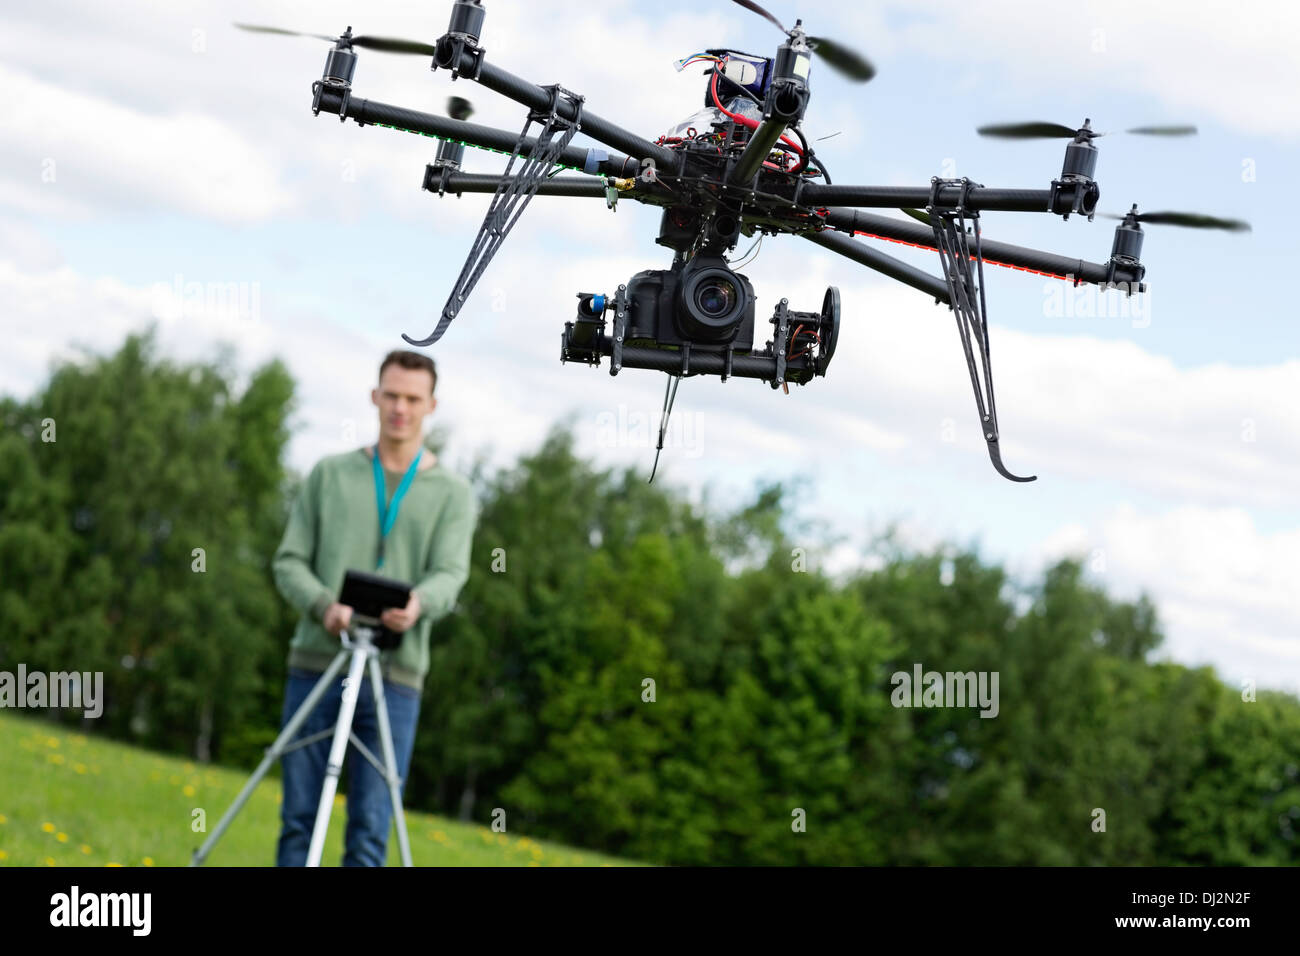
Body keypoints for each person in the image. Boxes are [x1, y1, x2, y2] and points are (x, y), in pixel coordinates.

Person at [270, 350, 477, 866]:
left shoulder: (453, 494)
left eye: (412, 398)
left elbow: (452, 574)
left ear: (431, 405)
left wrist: (418, 603)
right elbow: (289, 561)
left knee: (370, 828)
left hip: (396, 676)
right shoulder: (329, 474)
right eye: (391, 395)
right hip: (318, 663)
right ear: (374, 397)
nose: (400, 408)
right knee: (299, 817)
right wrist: (324, 606)